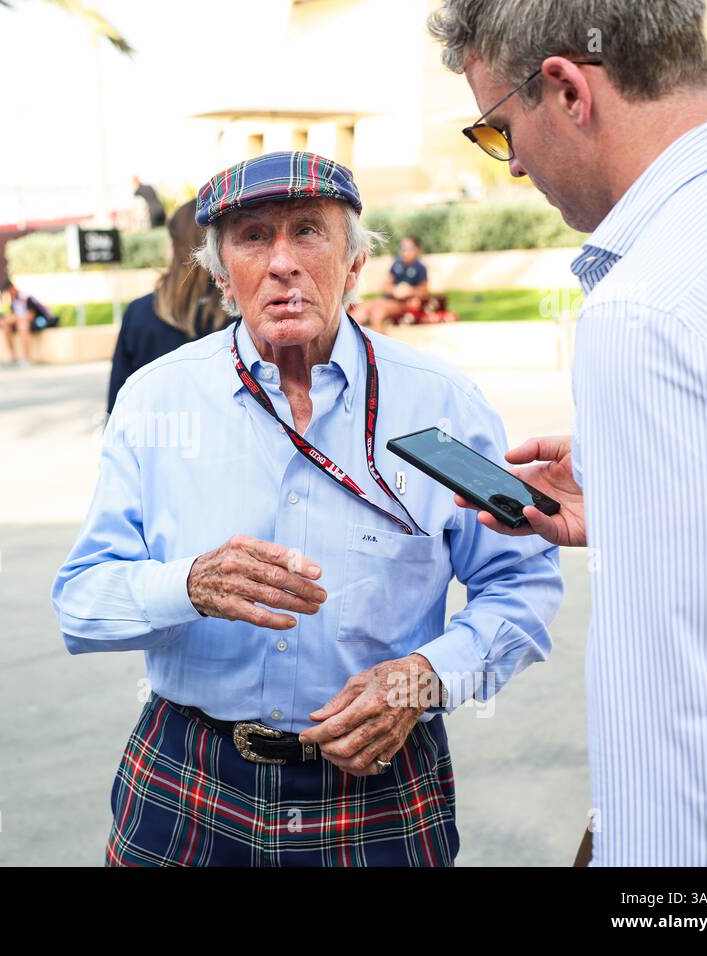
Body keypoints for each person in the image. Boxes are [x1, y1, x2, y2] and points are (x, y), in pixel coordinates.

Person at [53, 151, 563, 867]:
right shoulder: (156, 399)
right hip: (190, 775)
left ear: (353, 264)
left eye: (308, 232)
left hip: (378, 781)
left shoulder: (441, 402)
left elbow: (522, 585)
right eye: (254, 236)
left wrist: (425, 677)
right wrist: (189, 584)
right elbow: (80, 602)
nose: (283, 261)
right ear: (222, 274)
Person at [429, 0, 707, 866]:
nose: (513, 165)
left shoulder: (650, 307)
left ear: (565, 89)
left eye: (498, 129)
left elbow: (667, 699)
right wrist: (655, 503)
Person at [107, 198, 229, 413]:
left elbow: (118, 405)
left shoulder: (140, 313)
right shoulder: (240, 316)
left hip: (158, 439)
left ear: (176, 245)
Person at [360, 236, 430, 329]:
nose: (404, 252)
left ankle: (378, 341)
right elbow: (384, 287)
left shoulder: (420, 268)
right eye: (402, 248)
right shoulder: (396, 264)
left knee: (378, 312)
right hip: (389, 299)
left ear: (417, 250)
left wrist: (409, 291)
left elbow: (424, 292)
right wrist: (395, 290)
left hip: (403, 303)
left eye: (408, 248)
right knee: (362, 308)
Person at [0, 280, 36, 367]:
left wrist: (17, 318)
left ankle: (27, 358)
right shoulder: (13, 300)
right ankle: (13, 357)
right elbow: (13, 314)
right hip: (20, 322)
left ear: (12, 288)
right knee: (5, 325)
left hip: (35, 322)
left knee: (22, 326)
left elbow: (31, 315)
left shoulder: (26, 297)